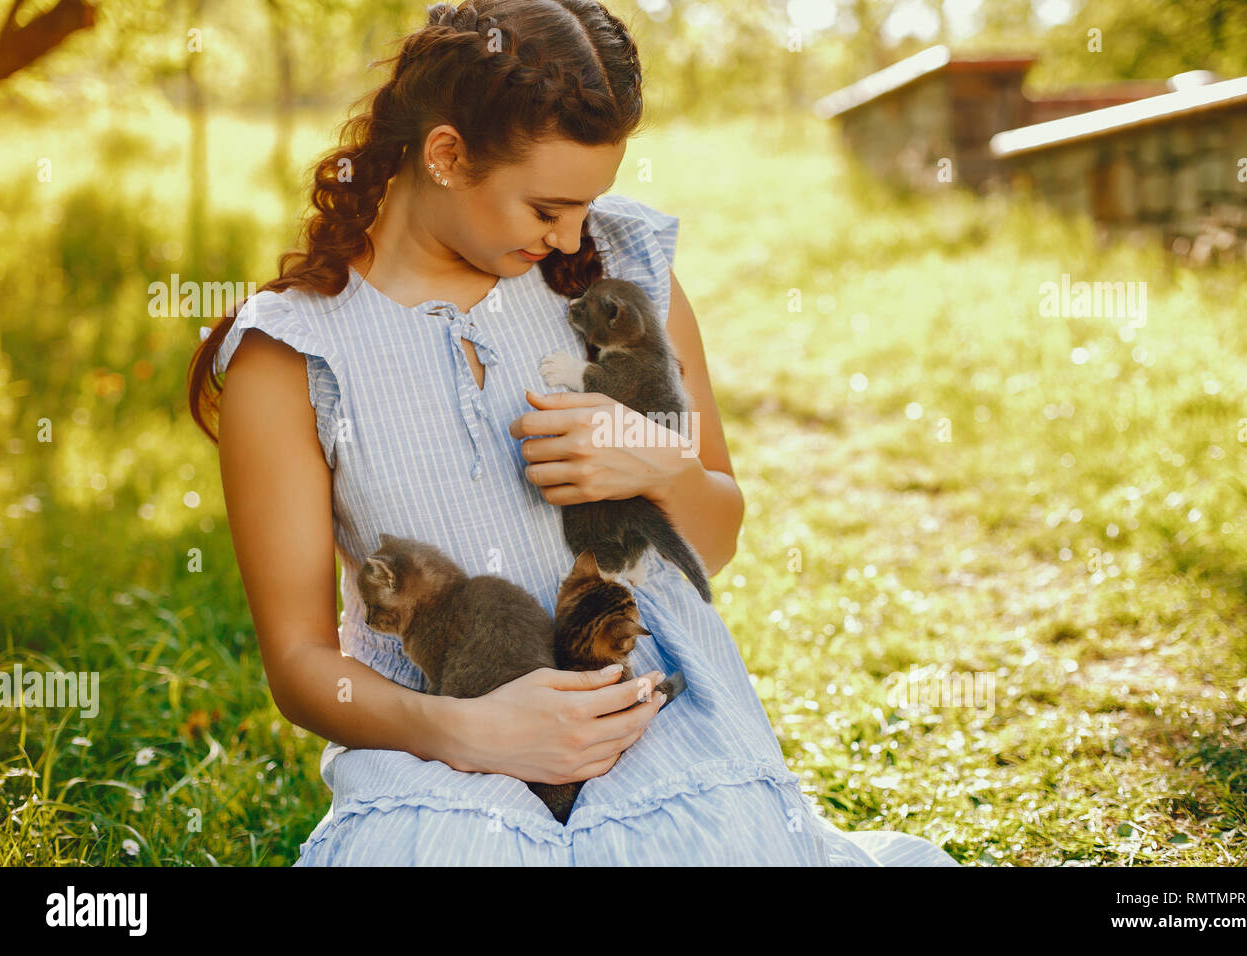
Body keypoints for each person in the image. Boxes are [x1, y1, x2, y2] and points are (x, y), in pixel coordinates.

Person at [188, 0, 959, 866]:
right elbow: (299, 663)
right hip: (436, 735)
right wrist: (471, 733)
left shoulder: (620, 277)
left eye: (586, 204)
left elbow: (718, 536)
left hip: (646, 715)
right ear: (445, 154)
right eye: (546, 207)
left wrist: (662, 467)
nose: (572, 235)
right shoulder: (292, 356)